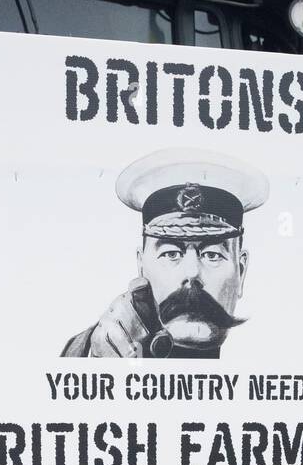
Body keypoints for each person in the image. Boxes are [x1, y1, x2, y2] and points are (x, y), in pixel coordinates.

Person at [62, 148, 269, 359]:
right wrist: (92, 357)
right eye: (171, 254)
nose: (192, 273)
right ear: (141, 267)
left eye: (212, 255)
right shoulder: (87, 354)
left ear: (241, 272)